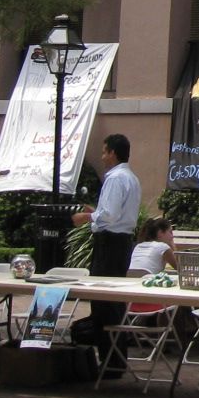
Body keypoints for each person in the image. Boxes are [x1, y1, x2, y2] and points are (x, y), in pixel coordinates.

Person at [71, 133, 140, 367]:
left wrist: (87, 216)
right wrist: (97, 212)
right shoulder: (131, 177)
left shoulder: (115, 178)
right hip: (121, 242)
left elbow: (109, 216)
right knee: (113, 300)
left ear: (112, 152)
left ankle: (110, 360)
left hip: (110, 242)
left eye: (104, 152)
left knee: (104, 299)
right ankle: (115, 359)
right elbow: (115, 212)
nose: (102, 157)